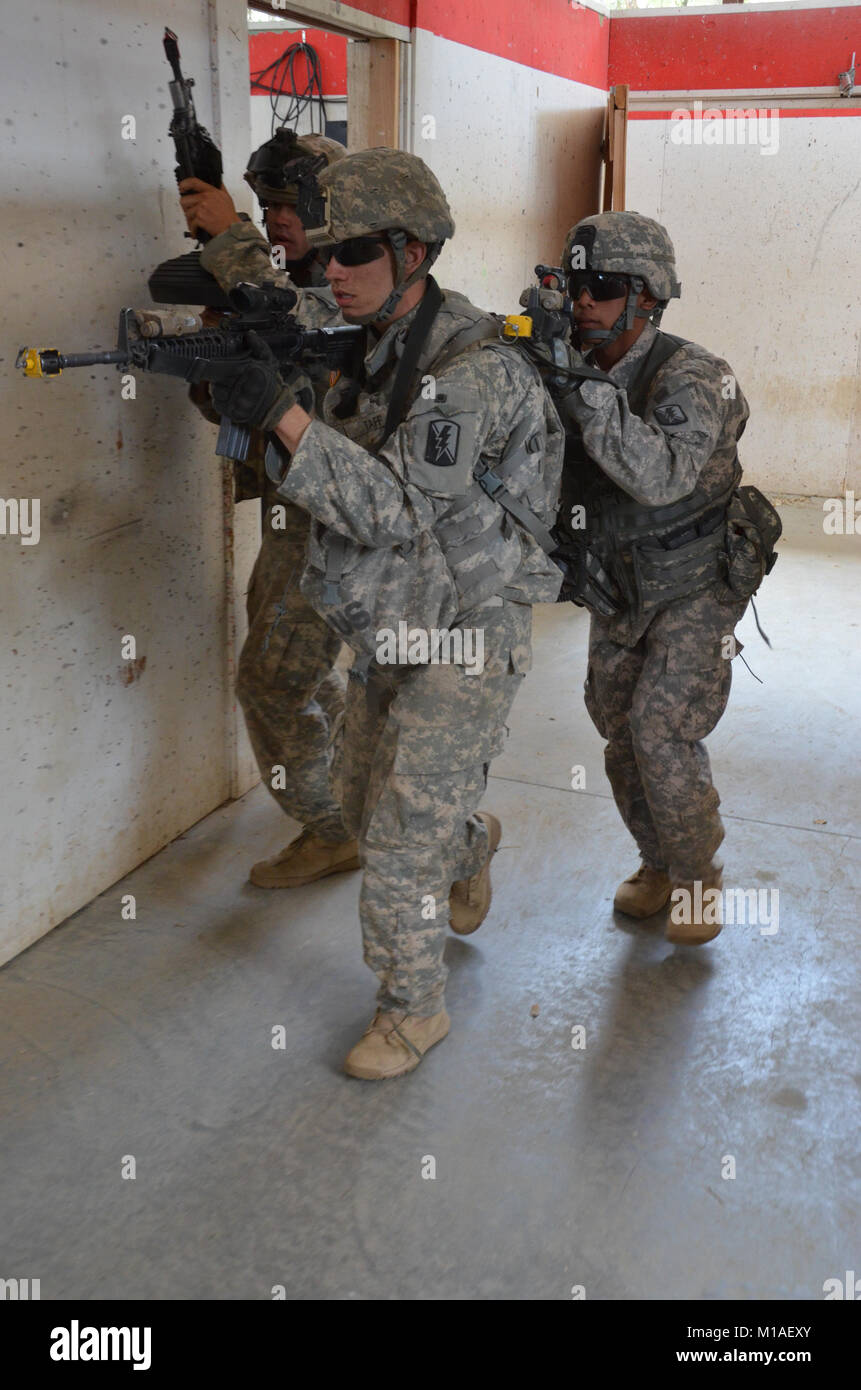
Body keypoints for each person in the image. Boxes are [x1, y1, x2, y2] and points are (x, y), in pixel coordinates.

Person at [198, 147, 563, 1078]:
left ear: (412, 251)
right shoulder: (366, 332)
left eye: (351, 254)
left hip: (471, 624)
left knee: (397, 834)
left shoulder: (472, 372)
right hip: (392, 615)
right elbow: (278, 323)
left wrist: (283, 418)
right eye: (320, 256)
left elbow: (395, 506)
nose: (330, 274)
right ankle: (468, 841)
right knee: (365, 813)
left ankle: (410, 1009)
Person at [547, 212, 771, 947]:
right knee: (616, 732)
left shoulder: (694, 375)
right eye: (575, 285)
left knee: (659, 731)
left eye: (603, 288)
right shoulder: (574, 366)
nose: (583, 302)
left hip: (696, 584)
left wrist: (576, 385)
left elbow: (658, 474)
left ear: (648, 297)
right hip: (618, 582)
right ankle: (655, 860)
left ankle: (697, 874)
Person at [180, 130, 362, 890]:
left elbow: (310, 318)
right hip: (289, 506)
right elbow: (225, 403)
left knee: (268, 681)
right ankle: (347, 804)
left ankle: (337, 825)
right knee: (306, 675)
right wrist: (217, 351)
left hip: (339, 518)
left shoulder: (349, 285)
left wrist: (231, 238)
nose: (276, 219)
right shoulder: (273, 285)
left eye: (290, 205)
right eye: (266, 206)